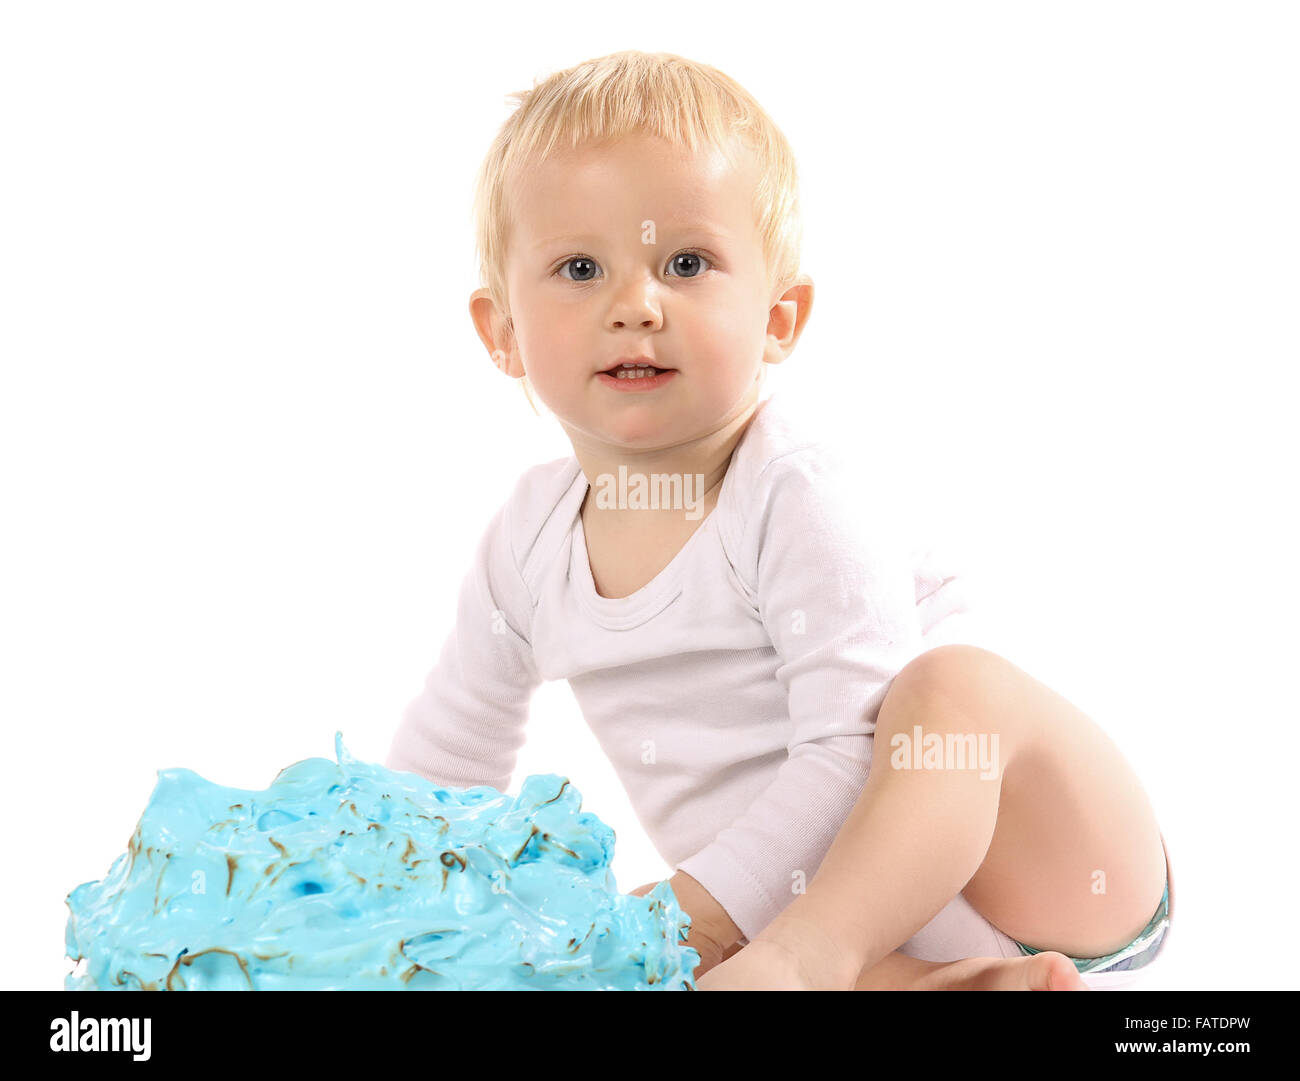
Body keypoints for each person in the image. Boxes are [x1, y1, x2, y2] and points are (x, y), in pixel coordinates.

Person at [386, 49, 1172, 991]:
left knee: (951, 692)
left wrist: (698, 914)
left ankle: (818, 958)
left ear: (780, 317)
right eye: (580, 268)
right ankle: (959, 985)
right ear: (501, 331)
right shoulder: (529, 542)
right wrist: (372, 895)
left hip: (1040, 852)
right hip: (851, 927)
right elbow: (448, 760)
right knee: (671, 974)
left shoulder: (795, 488)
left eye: (685, 262)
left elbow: (849, 745)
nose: (635, 306)